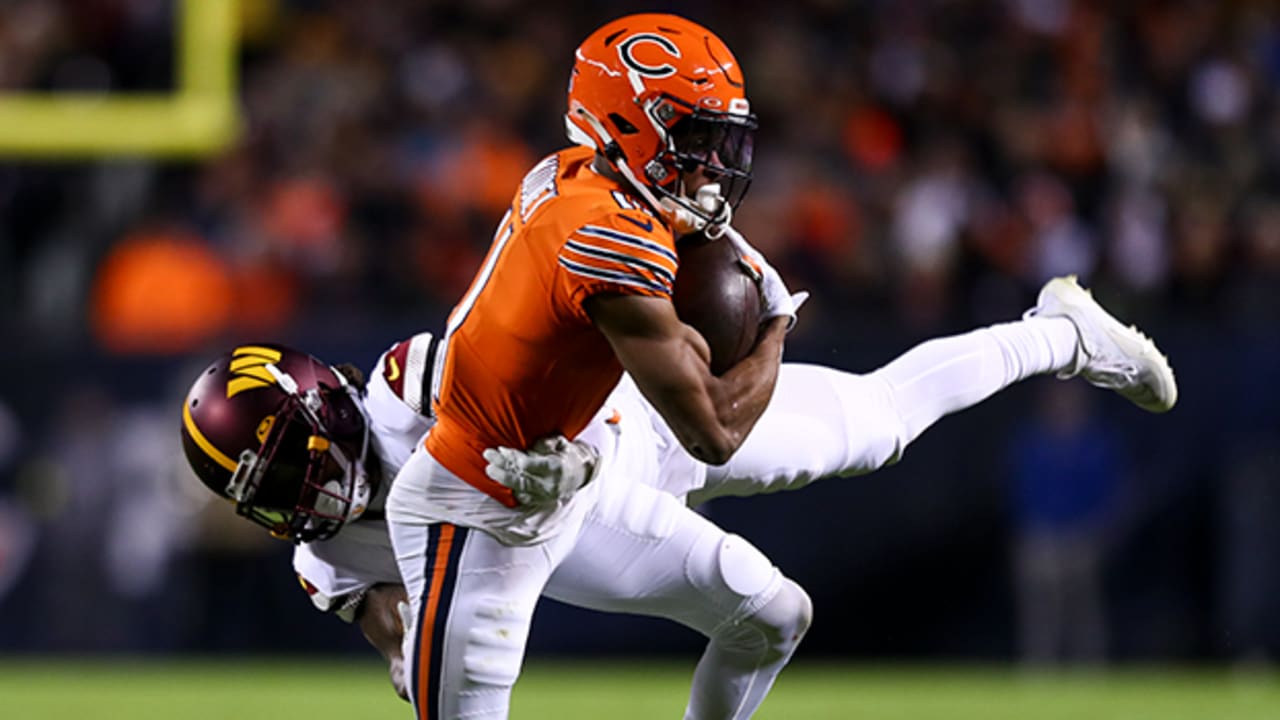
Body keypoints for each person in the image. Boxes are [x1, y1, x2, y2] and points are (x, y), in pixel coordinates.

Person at [179, 274, 1176, 710]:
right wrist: (407, 656)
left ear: (327, 400)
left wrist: (579, 447)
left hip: (632, 425)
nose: (307, 495)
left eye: (298, 459)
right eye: (274, 493)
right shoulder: (321, 549)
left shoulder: (411, 384)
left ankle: (1060, 333)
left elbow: (568, 362)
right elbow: (393, 622)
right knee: (775, 613)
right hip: (578, 518)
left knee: (876, 428)